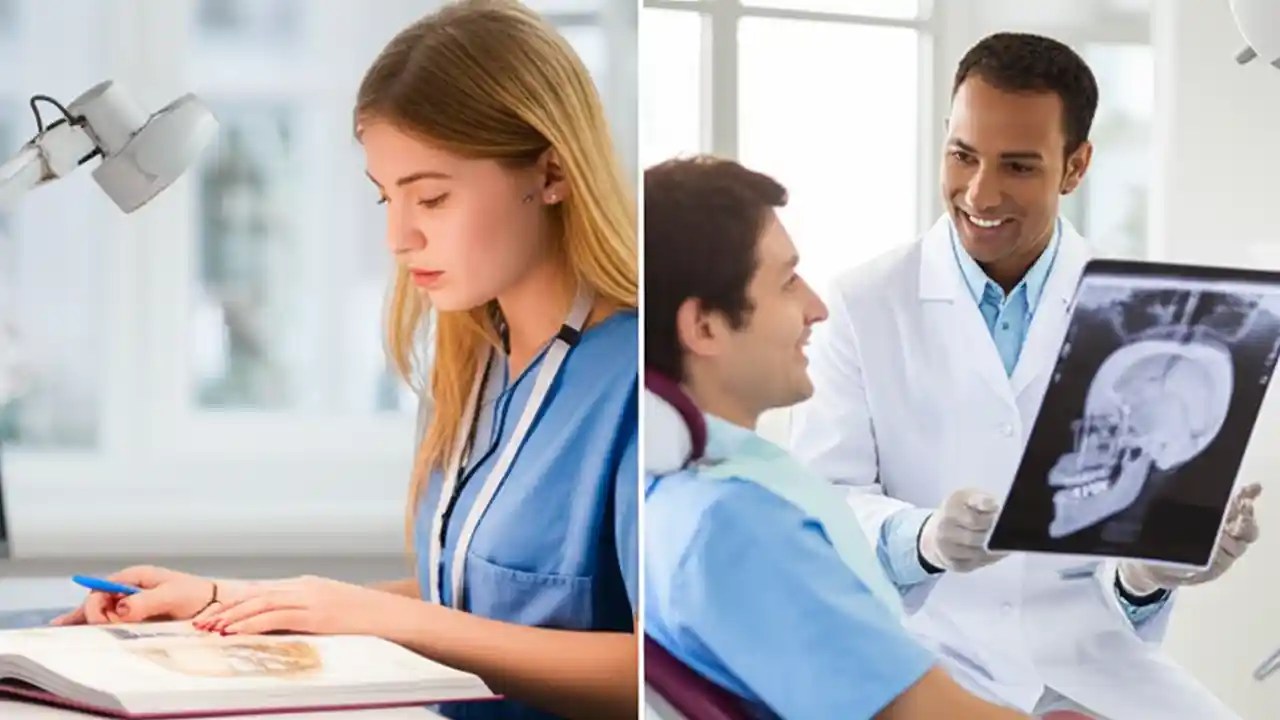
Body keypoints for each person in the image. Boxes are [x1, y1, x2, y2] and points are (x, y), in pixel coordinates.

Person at [50, 2, 639, 719]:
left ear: (551, 172)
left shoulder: (633, 383)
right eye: (385, 196)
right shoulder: (474, 364)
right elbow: (480, 598)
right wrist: (229, 602)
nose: (400, 236)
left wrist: (379, 618)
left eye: (431, 196)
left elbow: (650, 668)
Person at [789, 31, 1259, 719]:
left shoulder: (1139, 314)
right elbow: (822, 507)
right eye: (962, 155)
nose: (980, 192)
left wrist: (1151, 572)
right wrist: (921, 539)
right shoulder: (865, 303)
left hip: (1090, 665)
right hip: (922, 653)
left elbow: (1118, 568)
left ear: (1076, 166)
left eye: (1017, 166)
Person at [644, 155, 1030, 719]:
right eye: (786, 282)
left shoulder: (690, 494)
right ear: (704, 326)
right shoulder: (736, 528)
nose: (817, 308)